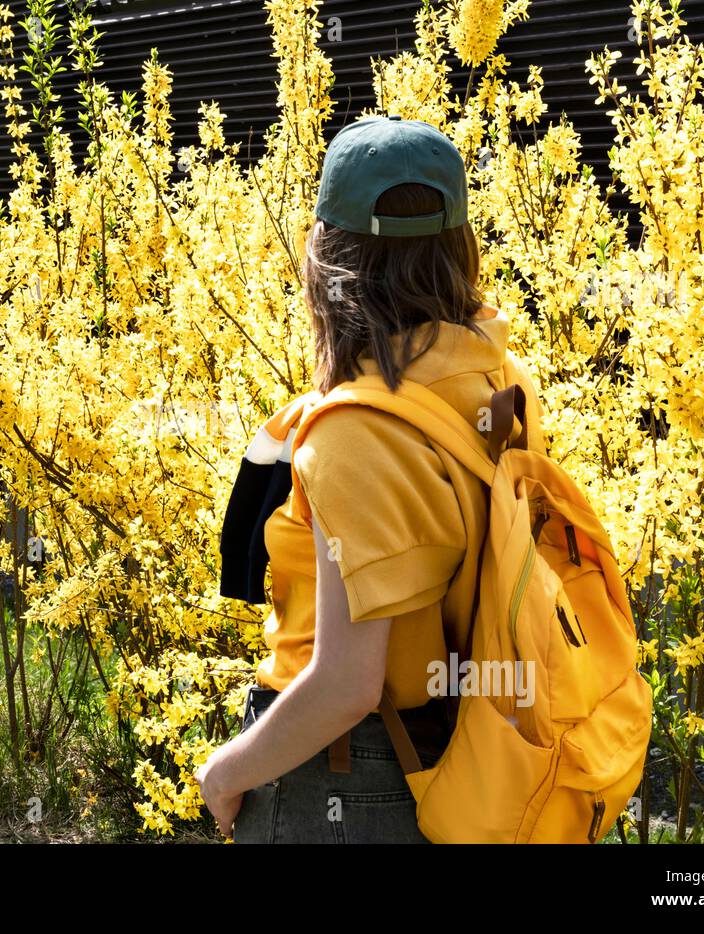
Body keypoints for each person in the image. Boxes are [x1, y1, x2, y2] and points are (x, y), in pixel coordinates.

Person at [196, 116, 547, 844]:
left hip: (348, 776)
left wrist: (228, 772)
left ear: (327, 257)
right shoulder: (496, 378)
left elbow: (348, 684)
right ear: (460, 248)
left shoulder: (354, 431)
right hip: (459, 747)